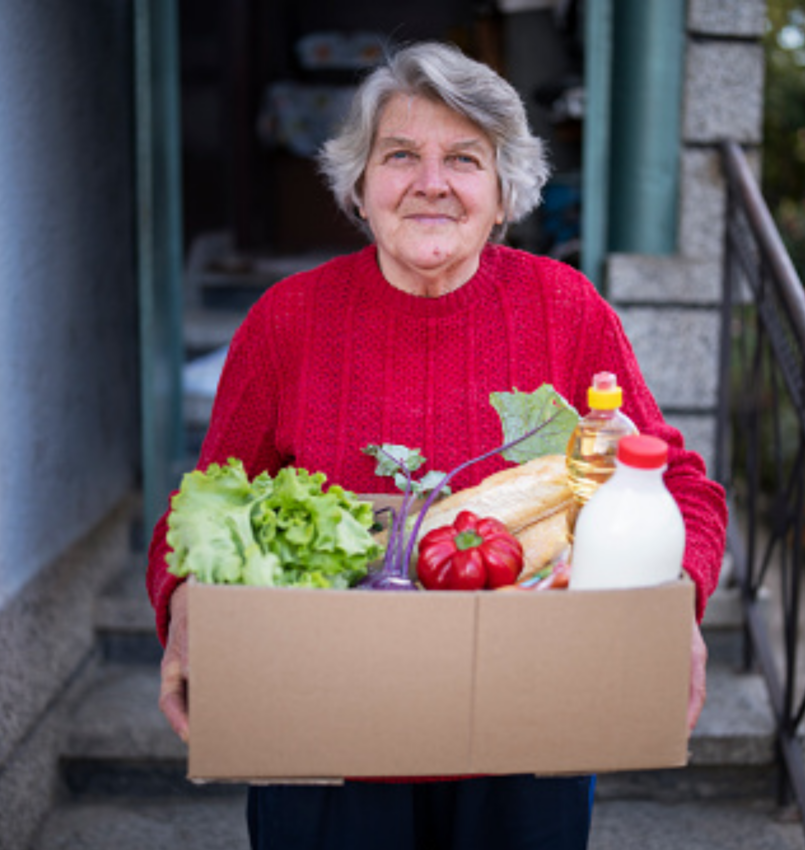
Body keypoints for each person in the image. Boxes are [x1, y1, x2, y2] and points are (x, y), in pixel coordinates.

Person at [146, 40, 727, 850]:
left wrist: (677, 605)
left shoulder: (565, 309)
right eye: (400, 155)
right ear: (359, 186)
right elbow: (207, 505)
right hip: (324, 734)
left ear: (503, 193)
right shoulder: (286, 320)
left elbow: (682, 487)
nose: (431, 182)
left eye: (464, 158)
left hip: (527, 731)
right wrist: (184, 601)